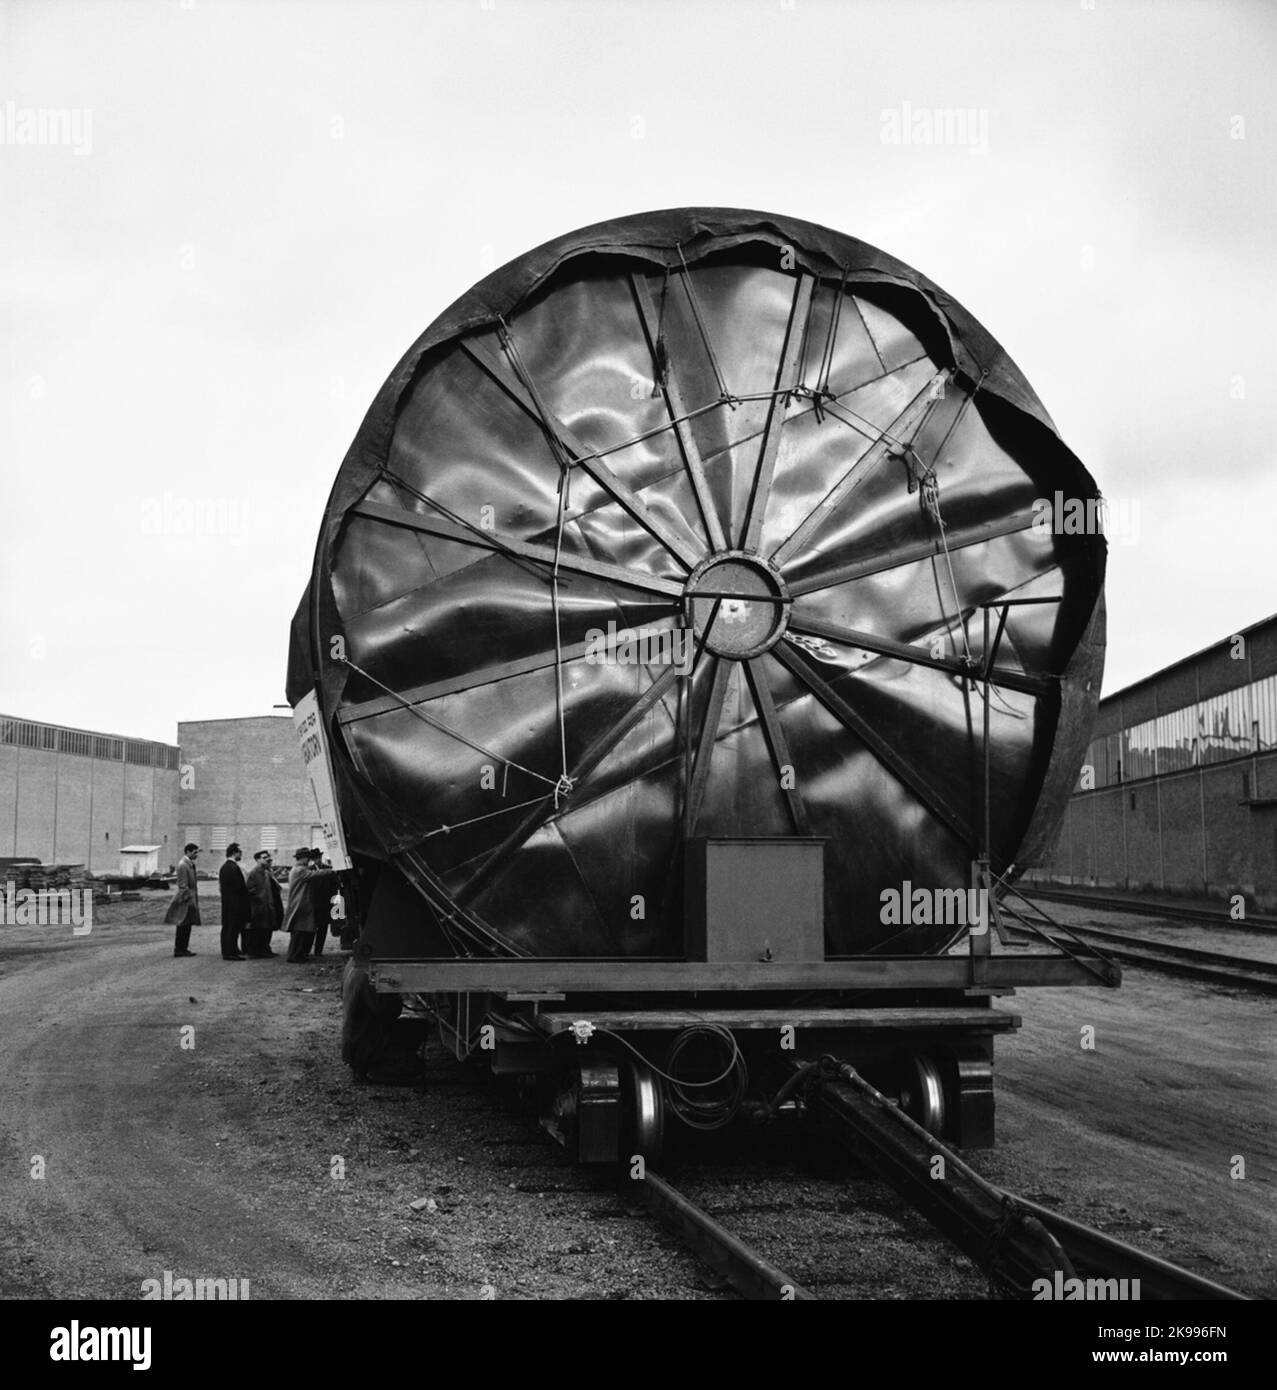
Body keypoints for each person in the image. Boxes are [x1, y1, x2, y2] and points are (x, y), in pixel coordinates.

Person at [164, 843, 202, 957]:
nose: (196, 855)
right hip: (186, 900)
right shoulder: (183, 865)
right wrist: (188, 899)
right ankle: (180, 949)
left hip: (190, 899)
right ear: (188, 852)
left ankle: (183, 948)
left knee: (187, 924)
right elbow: (182, 885)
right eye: (195, 852)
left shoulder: (189, 864)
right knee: (183, 924)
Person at [245, 850, 283, 957]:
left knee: (267, 929)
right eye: (264, 857)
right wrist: (259, 898)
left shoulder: (266, 872)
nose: (267, 859)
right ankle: (257, 951)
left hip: (268, 905)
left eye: (268, 857)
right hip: (259, 907)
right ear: (257, 860)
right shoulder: (254, 872)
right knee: (259, 929)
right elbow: (249, 889)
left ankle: (266, 949)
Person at [282, 847, 316, 962]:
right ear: (302, 858)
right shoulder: (300, 870)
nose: (308, 860)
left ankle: (296, 955)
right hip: (300, 904)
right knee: (299, 932)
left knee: (299, 932)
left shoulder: (296, 869)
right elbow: (314, 875)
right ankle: (295, 956)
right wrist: (332, 871)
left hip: (298, 904)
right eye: (307, 858)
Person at [218, 843, 250, 961]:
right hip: (235, 903)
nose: (240, 855)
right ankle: (230, 953)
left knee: (228, 927)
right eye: (239, 853)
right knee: (232, 927)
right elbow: (239, 887)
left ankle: (230, 950)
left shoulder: (225, 867)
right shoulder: (232, 867)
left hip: (228, 903)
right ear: (234, 853)